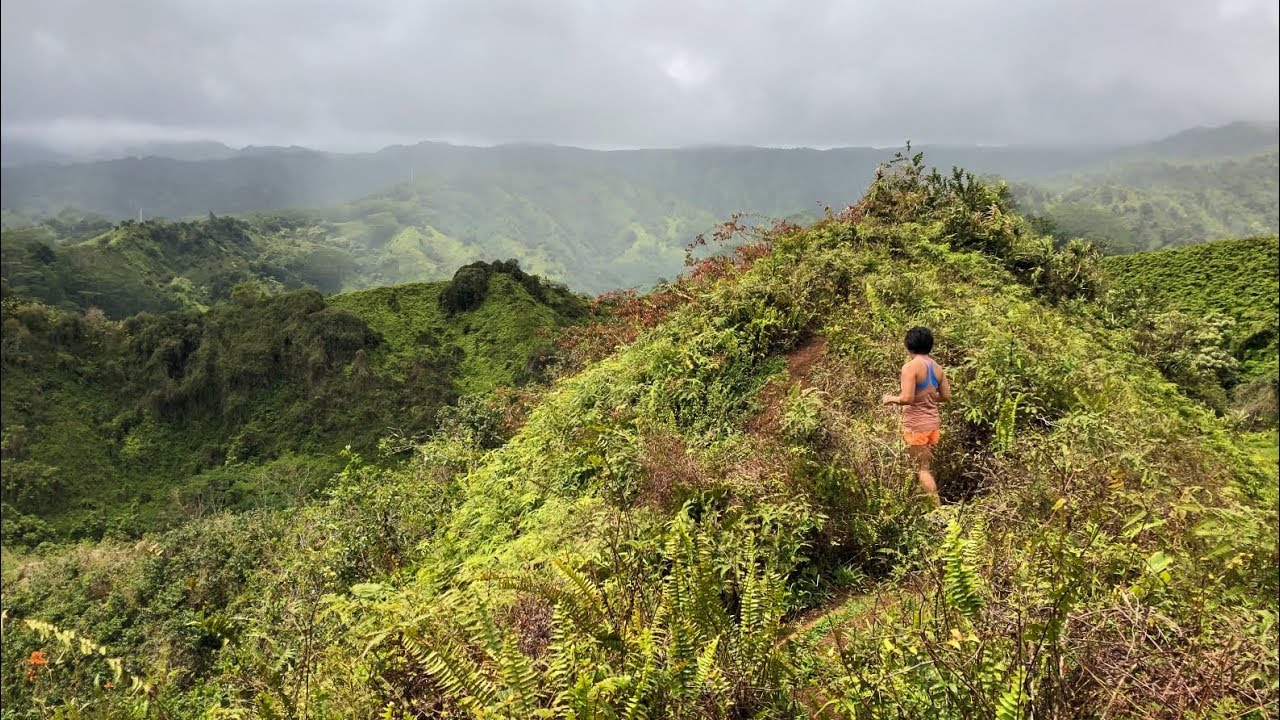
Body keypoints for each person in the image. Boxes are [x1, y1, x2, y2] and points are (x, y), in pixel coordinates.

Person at [882, 326, 951, 506]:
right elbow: (945, 396)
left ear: (909, 346)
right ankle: (916, 502)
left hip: (917, 426)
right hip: (933, 424)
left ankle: (938, 511)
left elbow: (907, 398)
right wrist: (927, 397)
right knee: (917, 465)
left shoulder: (910, 367)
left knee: (923, 469)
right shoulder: (937, 367)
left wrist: (891, 398)